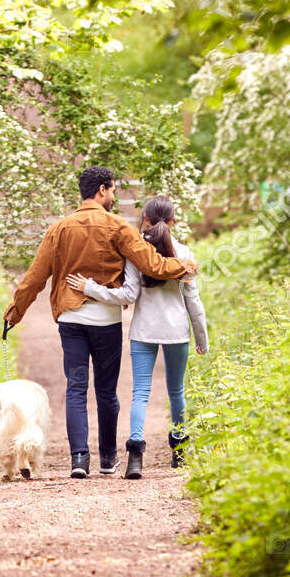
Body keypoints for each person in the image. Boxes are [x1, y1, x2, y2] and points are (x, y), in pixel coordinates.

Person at [4, 167, 197, 479]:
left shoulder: (60, 228)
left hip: (71, 320)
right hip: (106, 323)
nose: (113, 196)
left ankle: (79, 459)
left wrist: (15, 312)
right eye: (112, 190)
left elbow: (35, 277)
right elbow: (152, 264)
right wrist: (184, 265)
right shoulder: (118, 226)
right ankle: (108, 459)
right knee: (106, 391)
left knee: (76, 388)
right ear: (102, 190)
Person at [65, 196, 207, 479]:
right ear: (173, 221)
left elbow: (128, 295)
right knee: (176, 391)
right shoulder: (186, 254)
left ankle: (135, 459)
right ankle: (179, 452)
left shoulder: (135, 251)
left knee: (140, 393)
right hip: (176, 331)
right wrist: (202, 338)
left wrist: (90, 288)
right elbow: (194, 302)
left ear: (144, 219)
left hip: (143, 331)